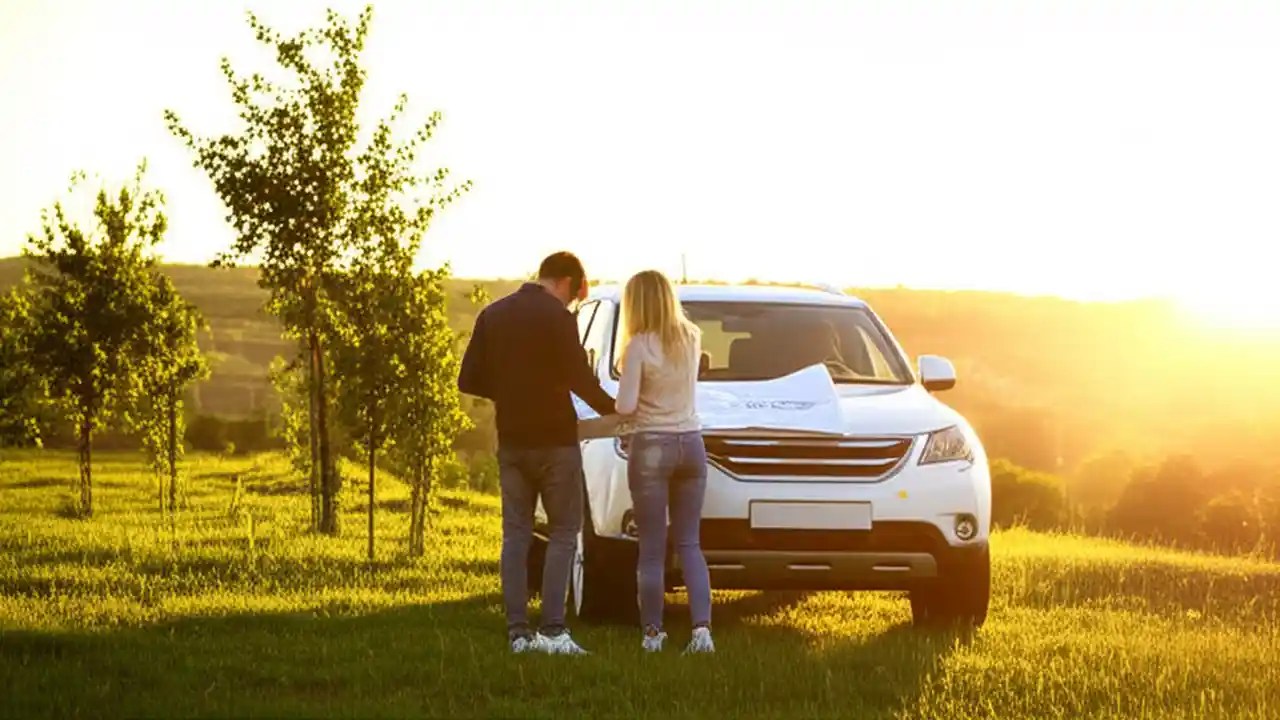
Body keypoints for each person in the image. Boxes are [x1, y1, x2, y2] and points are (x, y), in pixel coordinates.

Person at [458, 251, 618, 655]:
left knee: (516, 534)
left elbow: (467, 379)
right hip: (556, 442)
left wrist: (511, 390)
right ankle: (553, 631)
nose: (573, 302)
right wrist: (615, 411)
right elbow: (580, 379)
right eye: (574, 294)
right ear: (565, 281)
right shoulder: (558, 318)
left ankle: (518, 634)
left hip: (512, 440)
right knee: (564, 532)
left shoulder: (492, 314)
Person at [615, 269, 715, 654]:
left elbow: (626, 406)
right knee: (690, 543)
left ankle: (653, 634)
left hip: (652, 446)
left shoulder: (638, 345)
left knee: (653, 548)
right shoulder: (691, 336)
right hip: (691, 443)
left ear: (636, 304)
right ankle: (702, 632)